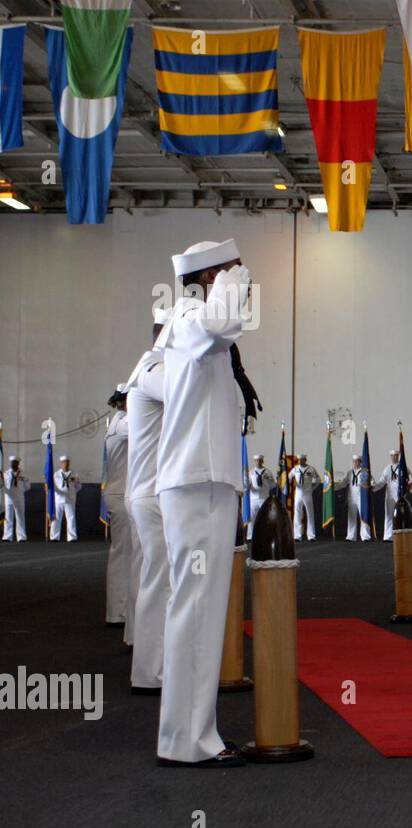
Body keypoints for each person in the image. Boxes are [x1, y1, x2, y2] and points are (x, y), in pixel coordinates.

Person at [154, 238, 251, 768]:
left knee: (205, 610)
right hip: (194, 484)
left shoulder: (201, 324)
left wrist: (229, 285)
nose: (244, 279)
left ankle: (196, 733)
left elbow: (227, 330)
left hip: (207, 482)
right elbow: (221, 324)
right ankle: (185, 740)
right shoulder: (188, 316)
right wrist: (232, 284)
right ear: (211, 276)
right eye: (234, 270)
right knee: (194, 609)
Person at [124, 308, 170, 693]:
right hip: (153, 493)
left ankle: (154, 665)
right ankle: (150, 671)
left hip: (153, 492)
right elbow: (182, 392)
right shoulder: (154, 369)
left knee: (159, 577)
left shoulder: (151, 368)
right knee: (160, 578)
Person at [103, 388, 134, 629]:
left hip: (121, 492)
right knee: (122, 554)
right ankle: (118, 611)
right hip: (121, 493)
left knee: (125, 554)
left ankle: (122, 610)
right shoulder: (123, 423)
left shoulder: (118, 423)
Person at [291, 454, 321, 541]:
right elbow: (288, 477)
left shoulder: (311, 469)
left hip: (308, 493)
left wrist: (313, 487)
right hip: (298, 494)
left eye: (302, 460)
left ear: (305, 460)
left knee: (310, 514)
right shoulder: (295, 469)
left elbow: (318, 479)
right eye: (299, 460)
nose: (300, 461)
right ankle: (297, 536)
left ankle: (311, 536)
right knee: (297, 514)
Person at [50, 455, 80, 541]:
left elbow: (79, 486)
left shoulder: (74, 474)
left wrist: (72, 492)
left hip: (70, 499)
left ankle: (72, 537)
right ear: (61, 464)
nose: (65, 464)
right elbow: (53, 487)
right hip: (58, 499)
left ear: (69, 463)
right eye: (63, 462)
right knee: (56, 518)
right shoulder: (56, 474)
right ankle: (54, 537)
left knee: (71, 518)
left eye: (67, 462)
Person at [344, 454, 373, 541]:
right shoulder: (350, 472)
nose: (355, 463)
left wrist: (371, 485)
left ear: (360, 462)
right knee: (351, 517)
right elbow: (344, 482)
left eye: (357, 461)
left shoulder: (364, 471)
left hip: (361, 498)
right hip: (352, 497)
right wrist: (334, 486)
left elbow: (371, 481)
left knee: (363, 515)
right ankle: (351, 536)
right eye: (354, 461)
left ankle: (365, 536)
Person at [377, 450, 402, 541]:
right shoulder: (387, 469)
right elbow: (381, 482)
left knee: (402, 514)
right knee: (388, 514)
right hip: (389, 493)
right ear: (390, 457)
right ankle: (388, 536)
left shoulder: (403, 467)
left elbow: (410, 479)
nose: (394, 457)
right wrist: (373, 487)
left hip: (400, 494)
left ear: (398, 456)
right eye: (392, 456)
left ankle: (403, 534)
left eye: (396, 456)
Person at [2, 456, 29, 542]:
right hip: (9, 498)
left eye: (15, 462)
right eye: (12, 463)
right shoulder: (5, 474)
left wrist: (21, 491)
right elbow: (4, 485)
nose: (13, 464)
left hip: (19, 498)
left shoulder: (23, 474)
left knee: (20, 517)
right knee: (8, 517)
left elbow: (28, 486)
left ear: (18, 463)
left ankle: (21, 537)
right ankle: (7, 536)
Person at [247, 453, 273, 532]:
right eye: (256, 460)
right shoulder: (251, 472)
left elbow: (273, 485)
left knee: (265, 517)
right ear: (254, 461)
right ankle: (251, 535)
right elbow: (247, 484)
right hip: (253, 498)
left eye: (260, 460)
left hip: (264, 497)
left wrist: (266, 489)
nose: (258, 462)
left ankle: (265, 534)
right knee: (252, 518)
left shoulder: (267, 472)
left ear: (262, 461)